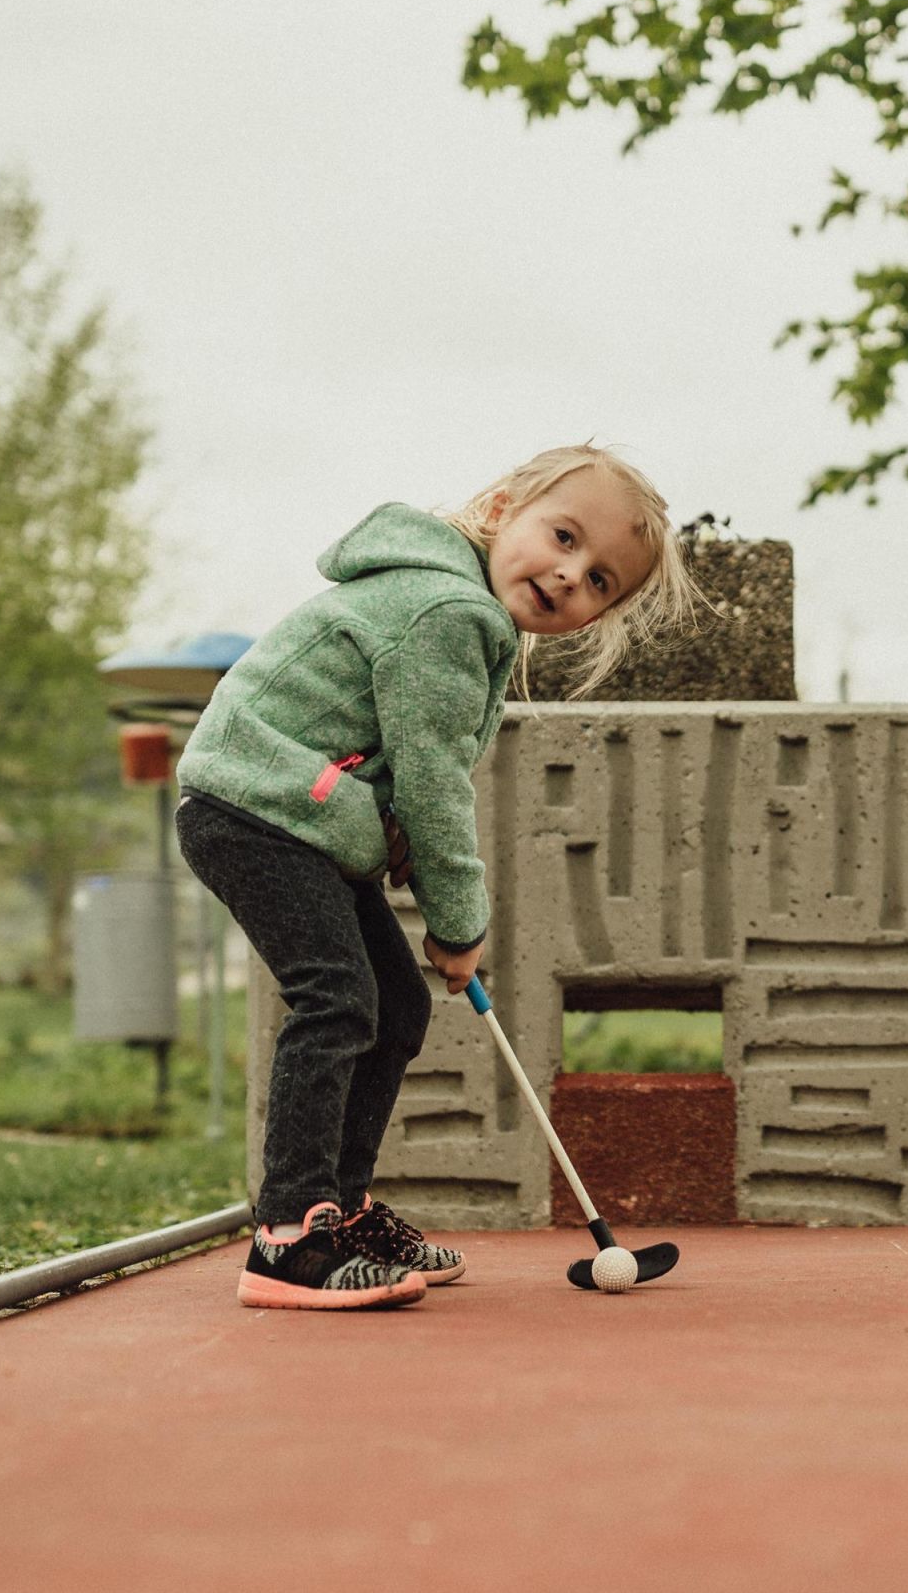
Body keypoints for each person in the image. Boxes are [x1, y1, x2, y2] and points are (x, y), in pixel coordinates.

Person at [176, 444, 693, 1309]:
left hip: (302, 811)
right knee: (337, 999)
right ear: (500, 509)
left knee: (397, 1006)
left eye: (601, 580)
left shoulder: (450, 601)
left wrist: (383, 825)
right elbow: (433, 782)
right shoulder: (450, 611)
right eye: (563, 537)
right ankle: (289, 1238)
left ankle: (339, 1208)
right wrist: (459, 921)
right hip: (257, 809)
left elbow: (384, 750)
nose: (570, 576)